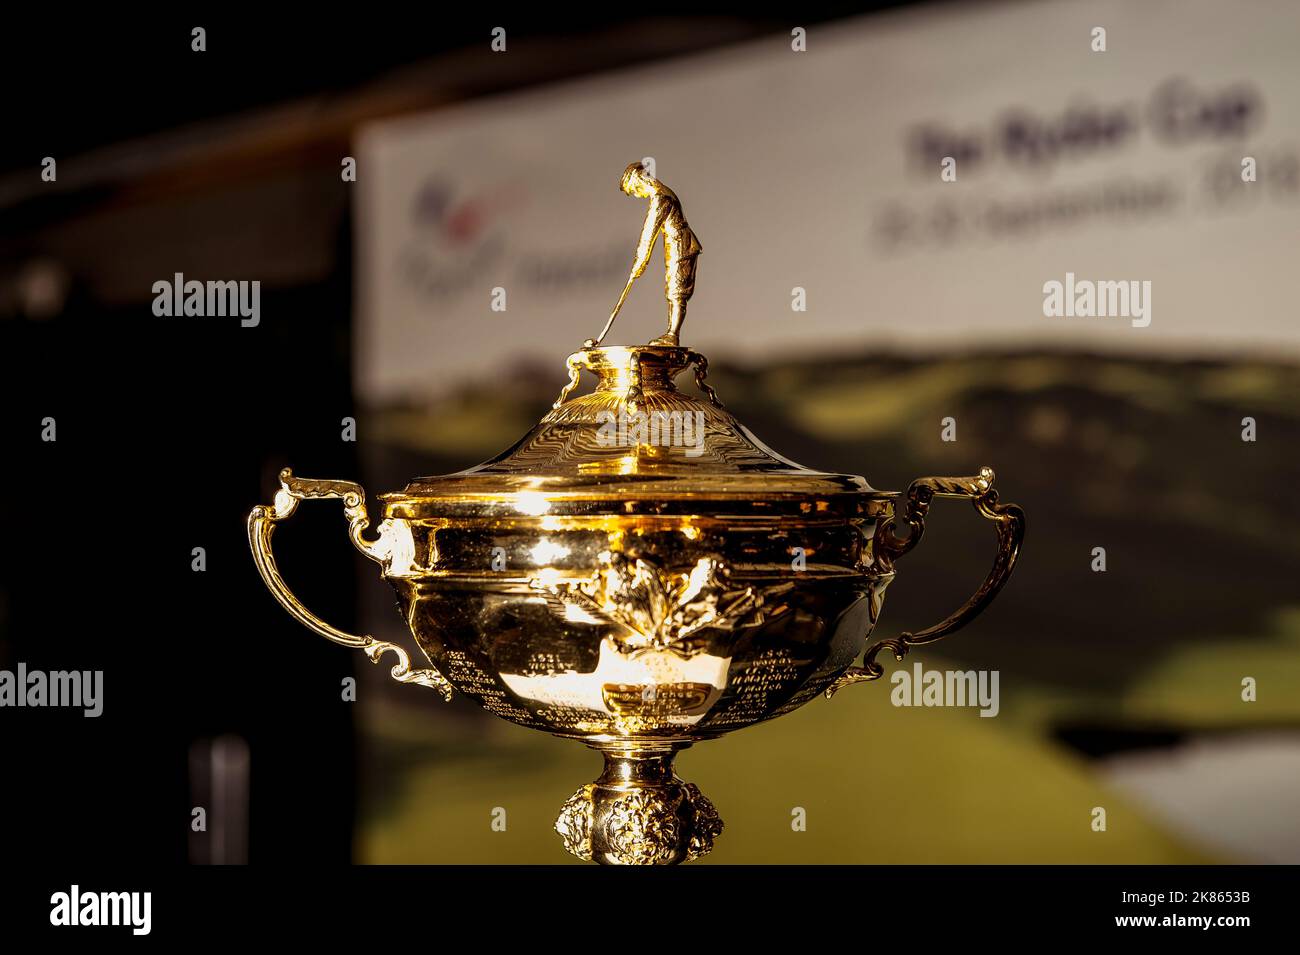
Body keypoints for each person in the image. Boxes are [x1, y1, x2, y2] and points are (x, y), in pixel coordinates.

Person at [588, 162, 702, 348]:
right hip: (676, 244)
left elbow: (649, 232)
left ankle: (673, 335)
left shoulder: (660, 198)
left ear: (638, 179)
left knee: (676, 289)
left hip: (682, 246)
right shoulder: (661, 195)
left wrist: (640, 262)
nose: (636, 194)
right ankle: (672, 333)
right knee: (673, 289)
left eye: (633, 190)